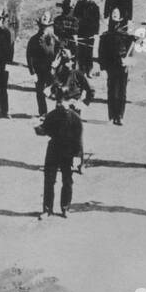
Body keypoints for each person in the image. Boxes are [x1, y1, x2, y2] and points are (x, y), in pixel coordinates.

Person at [38, 88, 83, 220]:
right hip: (53, 150)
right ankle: (47, 209)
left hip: (68, 152)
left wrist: (77, 157)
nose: (60, 103)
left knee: (67, 181)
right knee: (49, 180)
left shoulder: (75, 118)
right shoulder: (52, 115)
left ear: (70, 102)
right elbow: (44, 130)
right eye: (58, 101)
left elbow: (78, 140)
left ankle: (65, 208)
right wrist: (36, 127)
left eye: (63, 101)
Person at [97, 11, 135, 125]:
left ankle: (119, 116)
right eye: (113, 14)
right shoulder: (105, 36)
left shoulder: (126, 36)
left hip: (122, 65)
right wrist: (102, 68)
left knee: (122, 91)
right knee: (112, 91)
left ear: (120, 20)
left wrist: (128, 62)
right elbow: (101, 53)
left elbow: (131, 51)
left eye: (116, 14)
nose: (114, 16)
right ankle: (112, 115)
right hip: (111, 66)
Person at [26, 14, 60, 117]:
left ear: (49, 26)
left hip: (51, 70)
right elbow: (29, 56)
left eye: (45, 26)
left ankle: (58, 112)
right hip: (39, 70)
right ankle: (43, 113)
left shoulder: (53, 38)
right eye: (41, 26)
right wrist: (32, 72)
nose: (43, 28)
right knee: (40, 92)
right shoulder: (33, 40)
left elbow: (59, 50)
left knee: (56, 91)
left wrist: (56, 62)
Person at [74, 0, 101, 76]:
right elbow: (75, 18)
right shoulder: (79, 5)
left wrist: (96, 33)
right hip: (81, 32)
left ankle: (89, 69)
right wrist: (75, 31)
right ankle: (81, 70)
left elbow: (97, 21)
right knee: (81, 51)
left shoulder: (94, 6)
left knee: (89, 51)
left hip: (90, 33)